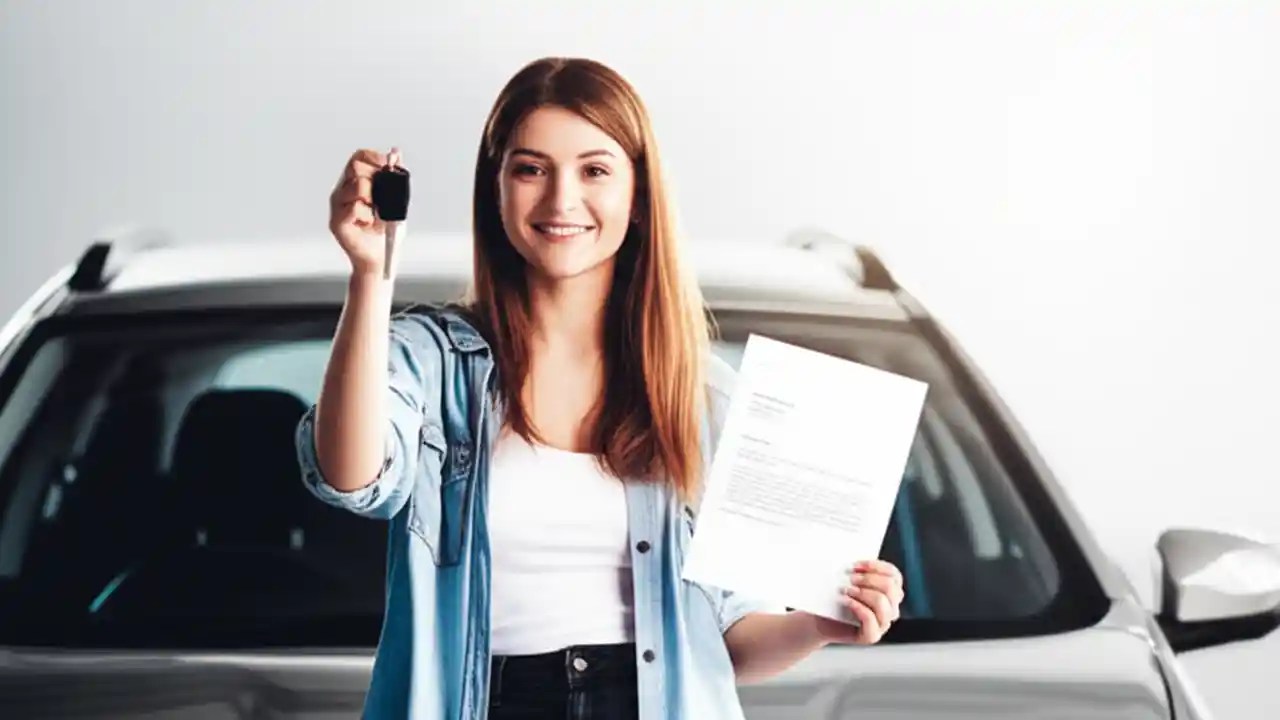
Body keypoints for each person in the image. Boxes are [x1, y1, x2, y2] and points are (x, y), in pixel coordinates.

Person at [296, 56, 905, 720]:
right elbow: (351, 478)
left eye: (594, 170)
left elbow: (727, 643)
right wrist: (370, 274)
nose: (561, 200)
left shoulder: (704, 397)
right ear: (495, 188)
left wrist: (821, 623)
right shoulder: (434, 360)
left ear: (638, 194)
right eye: (531, 169)